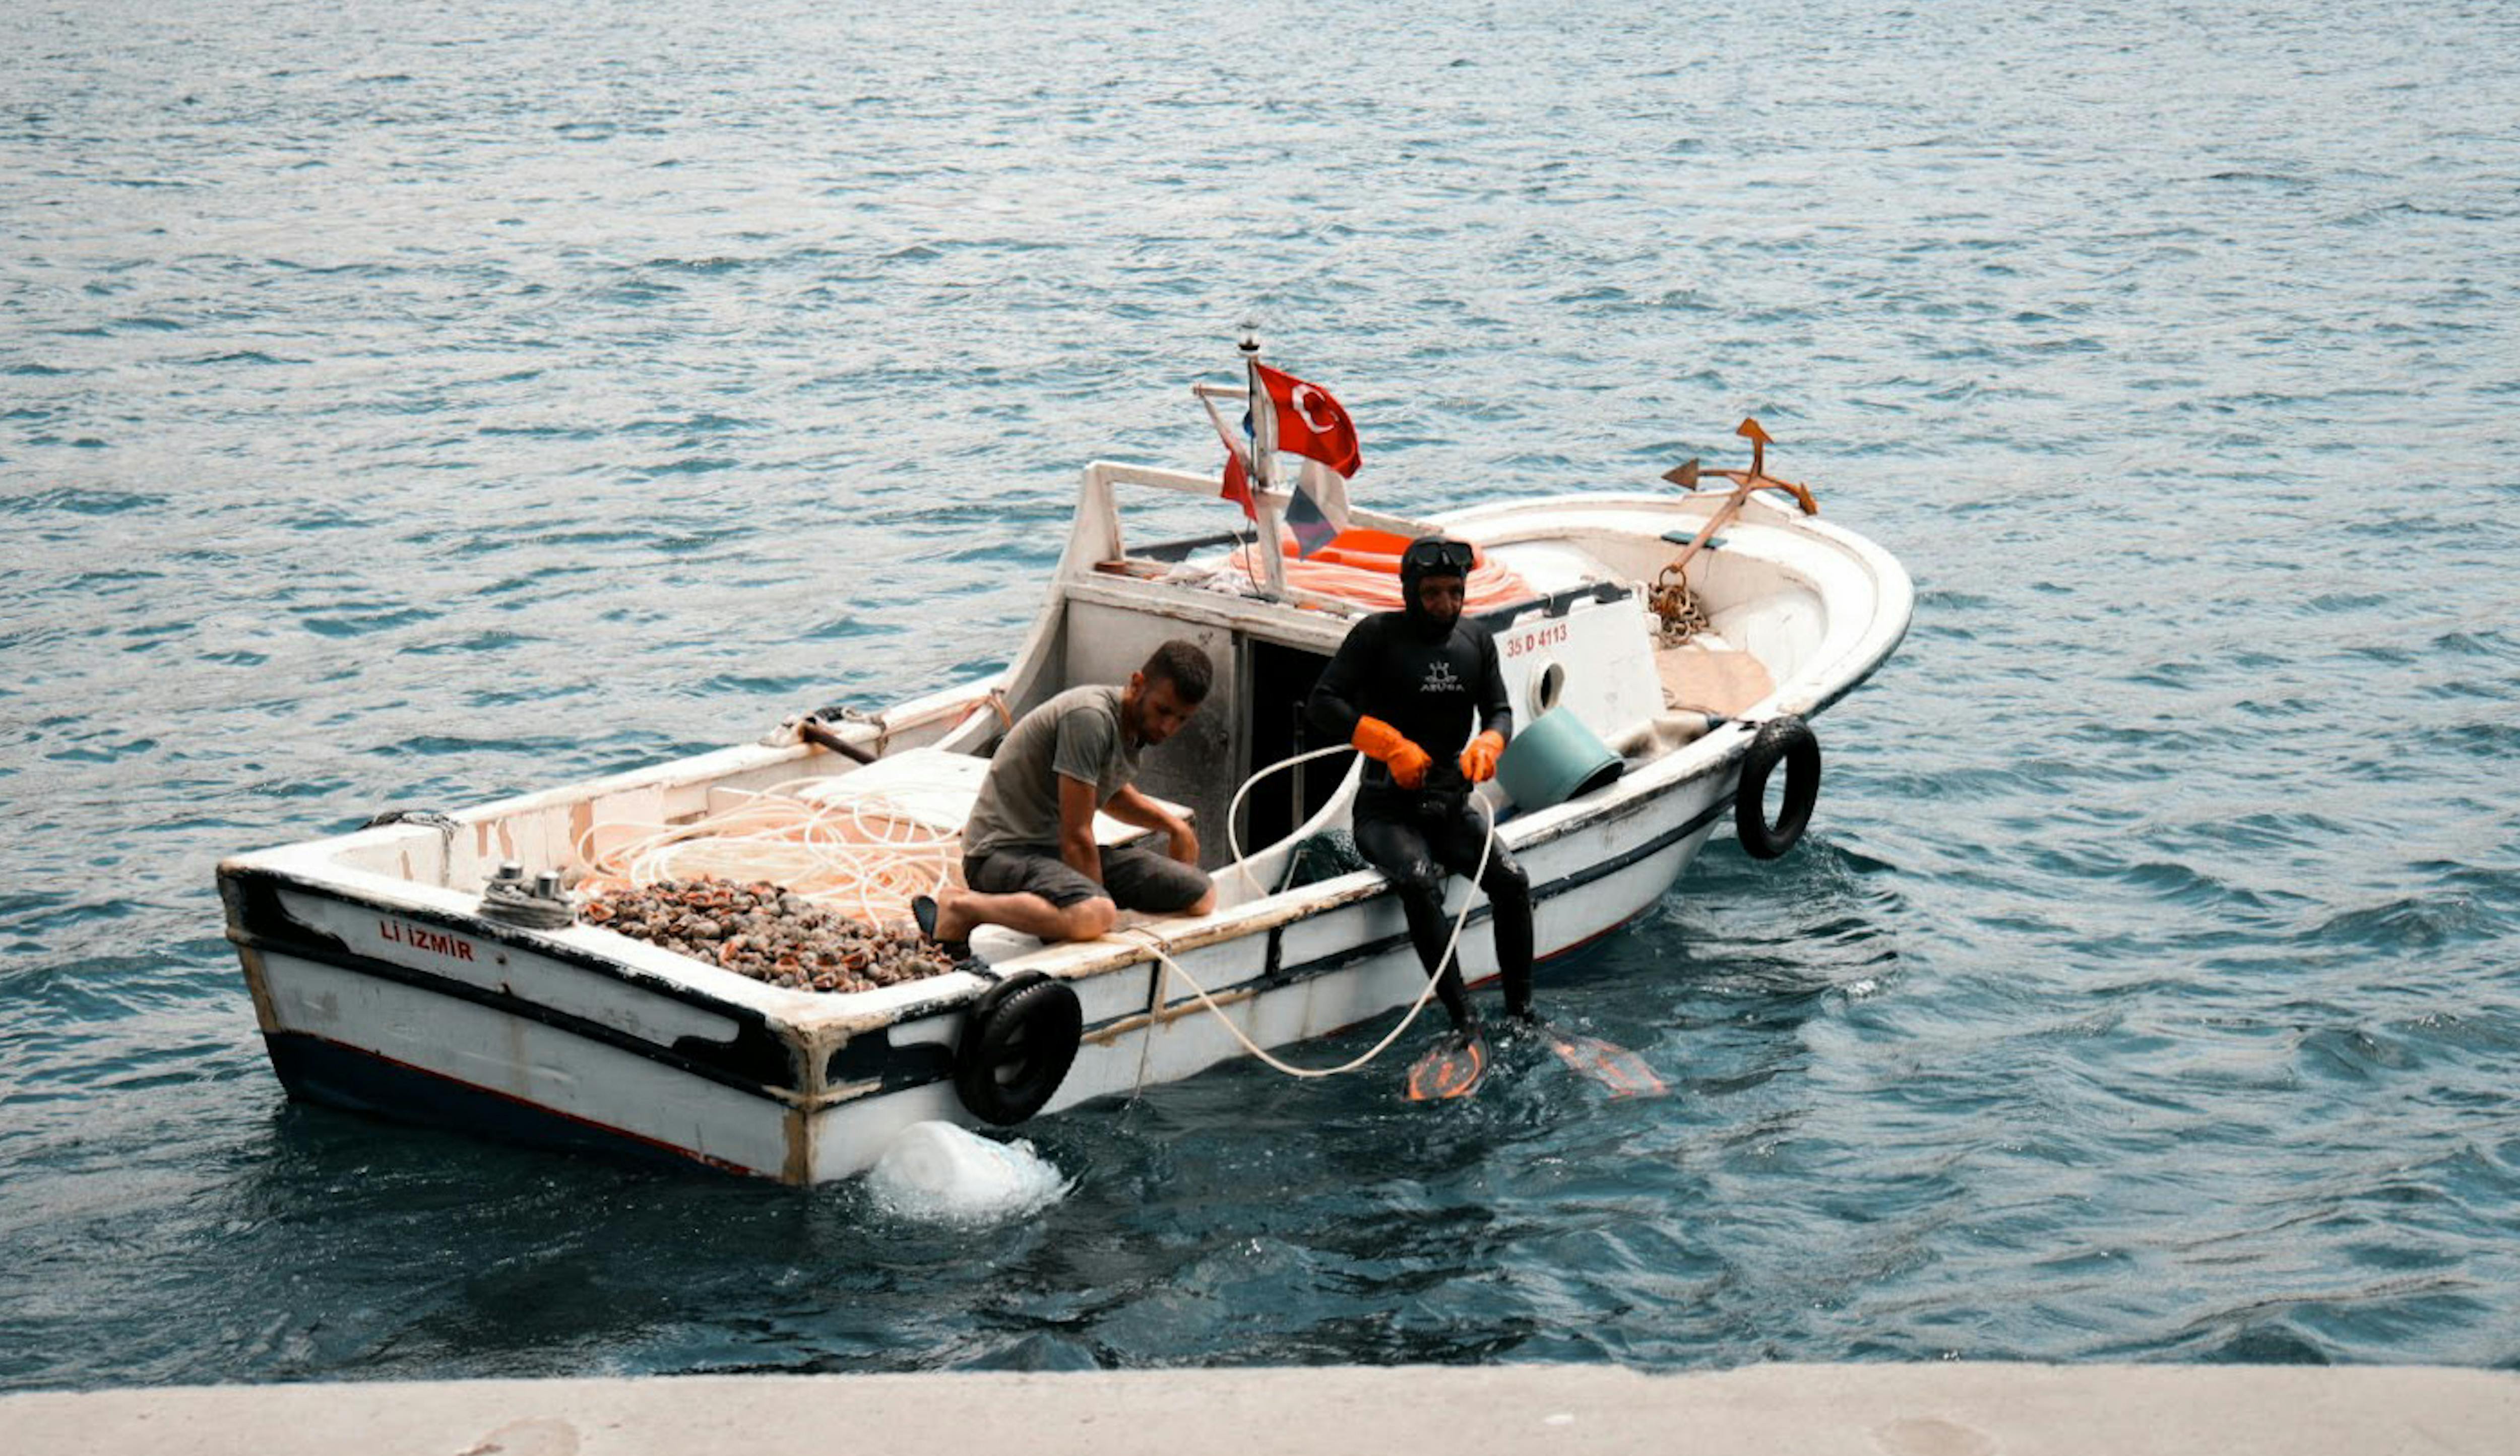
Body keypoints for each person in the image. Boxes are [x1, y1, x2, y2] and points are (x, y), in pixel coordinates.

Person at [1306, 535, 1534, 1099]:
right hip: (1386, 810)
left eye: (1454, 592)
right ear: (1409, 592)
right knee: (1416, 880)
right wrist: (1385, 743)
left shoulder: (1475, 640)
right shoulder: (1376, 637)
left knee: (1511, 881)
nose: (1443, 604)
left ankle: (1522, 1011)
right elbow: (1323, 703)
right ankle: (1462, 1021)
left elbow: (1501, 707)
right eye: (1431, 593)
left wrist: (1489, 740)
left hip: (1450, 805)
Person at [918, 640, 1218, 948]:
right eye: (1163, 711)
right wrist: (1102, 917)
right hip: (1001, 853)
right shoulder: (1090, 718)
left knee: (1201, 893)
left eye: (1182, 719)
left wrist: (1174, 827)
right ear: (1138, 684)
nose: (1168, 727)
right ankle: (961, 908)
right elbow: (1077, 836)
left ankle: (1066, 913)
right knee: (1095, 914)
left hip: (1054, 855)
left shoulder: (1133, 729)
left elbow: (1112, 795)